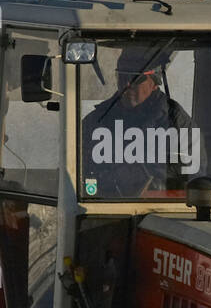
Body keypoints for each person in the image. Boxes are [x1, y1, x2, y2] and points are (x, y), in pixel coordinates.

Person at [82, 45, 196, 197]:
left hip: (159, 213)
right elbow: (73, 170)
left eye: (136, 78)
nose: (127, 84)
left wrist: (150, 188)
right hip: (101, 210)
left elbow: (195, 179)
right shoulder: (96, 122)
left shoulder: (176, 123)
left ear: (154, 82)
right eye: (121, 76)